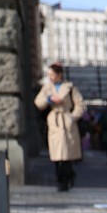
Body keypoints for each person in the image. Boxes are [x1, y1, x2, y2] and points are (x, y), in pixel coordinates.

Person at [34, 63, 85, 191]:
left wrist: (72, 117)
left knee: (67, 154)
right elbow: (38, 102)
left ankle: (65, 179)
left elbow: (80, 104)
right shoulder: (47, 87)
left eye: (52, 74)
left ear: (59, 74)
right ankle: (61, 177)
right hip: (55, 123)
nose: (50, 77)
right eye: (49, 75)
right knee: (56, 154)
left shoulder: (70, 87)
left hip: (67, 122)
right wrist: (49, 100)